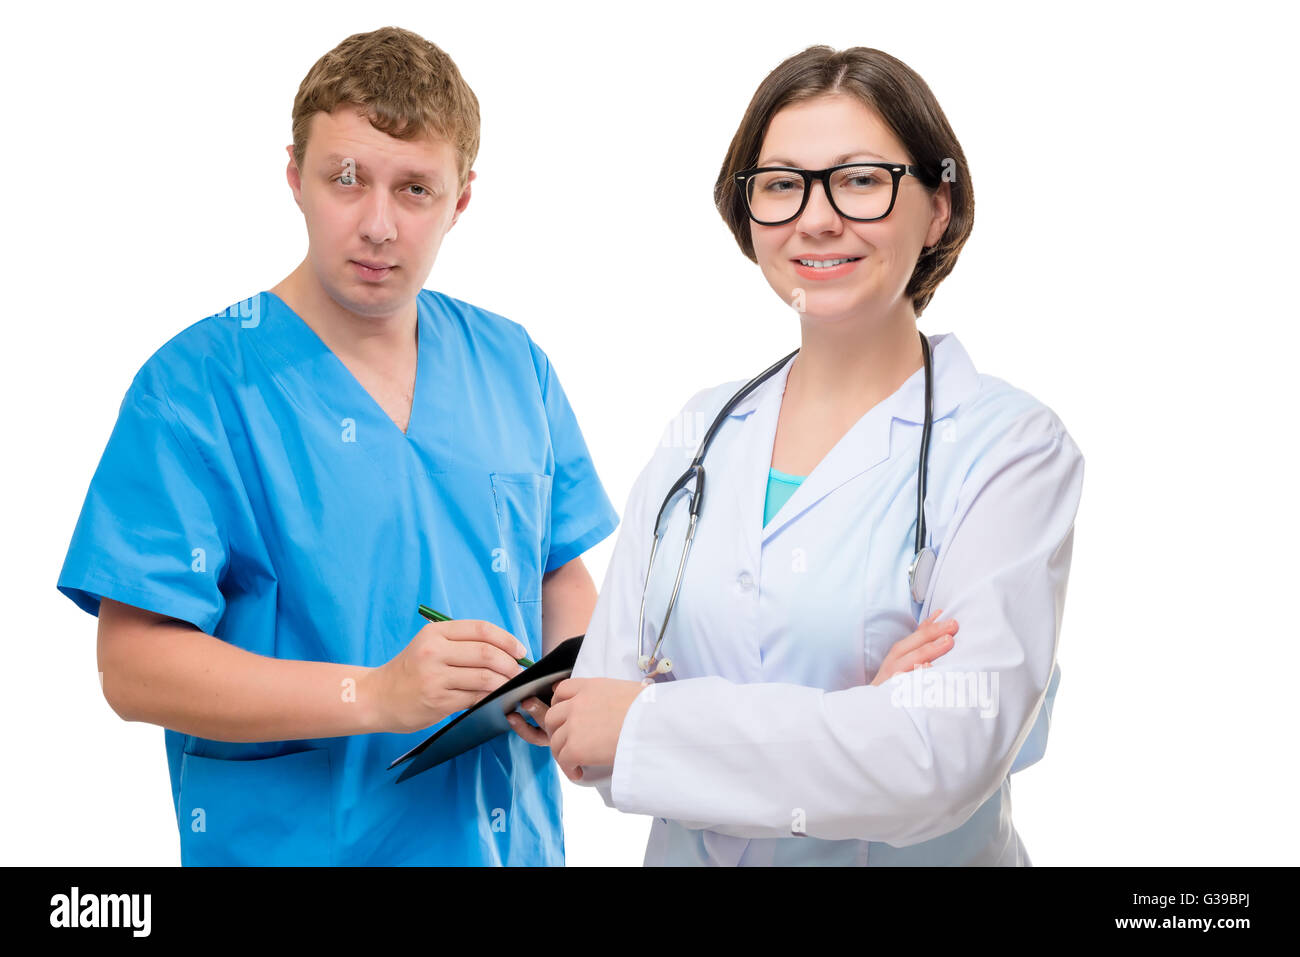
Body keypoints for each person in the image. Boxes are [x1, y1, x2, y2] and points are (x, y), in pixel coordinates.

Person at [55, 26, 618, 865]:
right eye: (347, 180)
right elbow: (132, 669)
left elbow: (554, 568)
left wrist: (570, 683)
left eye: (417, 189)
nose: (380, 225)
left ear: (461, 199)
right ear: (295, 176)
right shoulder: (197, 387)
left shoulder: (511, 363)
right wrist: (377, 693)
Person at [521, 45, 1085, 866]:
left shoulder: (1011, 447)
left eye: (859, 180)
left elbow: (941, 756)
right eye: (782, 185)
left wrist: (655, 726)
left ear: (938, 207)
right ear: (748, 214)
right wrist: (861, 715)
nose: (817, 219)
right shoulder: (699, 434)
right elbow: (594, 737)